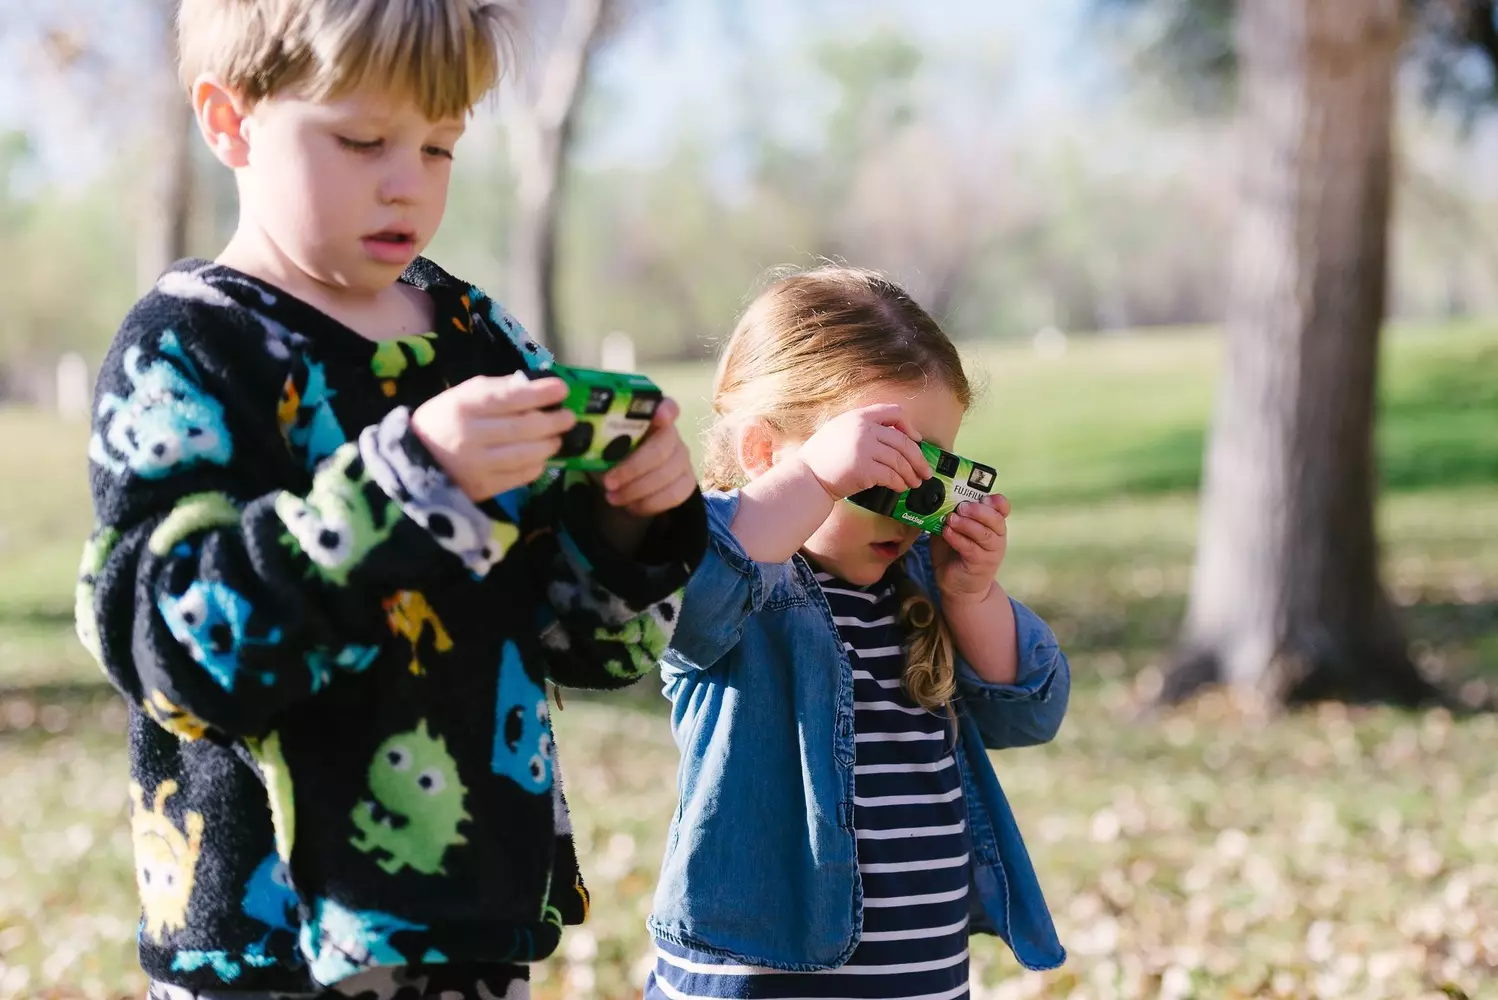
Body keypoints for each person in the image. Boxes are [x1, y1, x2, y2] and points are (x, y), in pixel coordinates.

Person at [74, 2, 705, 997]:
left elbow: (588, 645)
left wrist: (628, 520)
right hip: (267, 946)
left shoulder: (477, 336)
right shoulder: (189, 352)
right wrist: (405, 487)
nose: (406, 179)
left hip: (474, 923)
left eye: (441, 147)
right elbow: (173, 645)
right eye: (361, 139)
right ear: (229, 119)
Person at [644, 266, 1069, 999]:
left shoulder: (924, 585)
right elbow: (685, 601)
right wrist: (814, 480)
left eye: (933, 477)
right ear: (764, 451)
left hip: (917, 976)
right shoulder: (741, 576)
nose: (910, 511)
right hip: (758, 976)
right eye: (878, 474)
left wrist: (973, 595)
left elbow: (1027, 709)